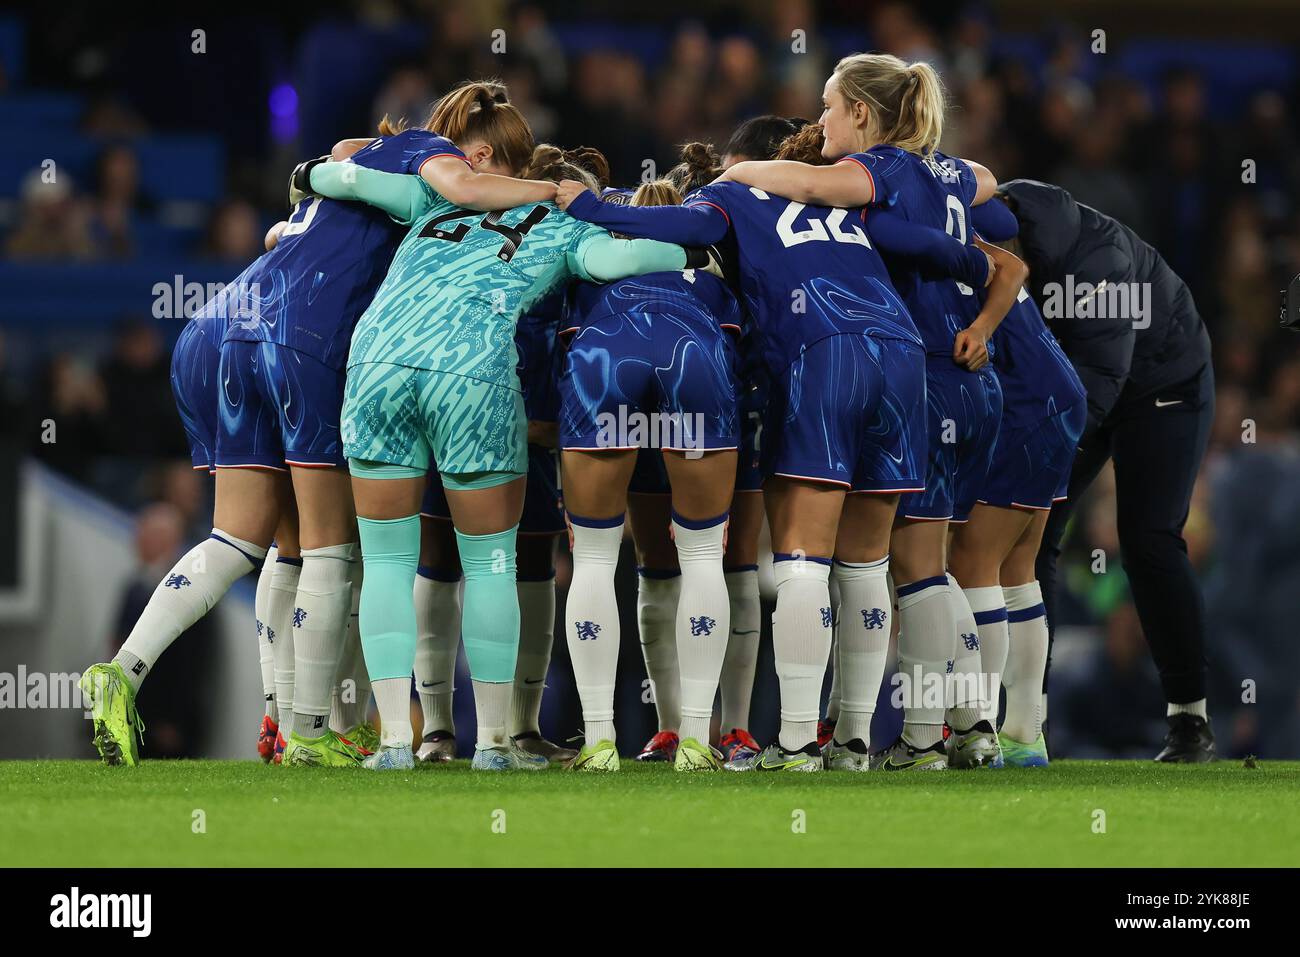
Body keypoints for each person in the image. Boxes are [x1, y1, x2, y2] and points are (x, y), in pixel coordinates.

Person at [79, 82, 551, 767]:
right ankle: (307, 729)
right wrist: (551, 197)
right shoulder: (440, 164)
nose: (501, 187)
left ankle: (127, 673)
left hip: (223, 322)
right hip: (306, 339)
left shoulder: (368, 162)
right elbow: (462, 188)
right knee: (337, 549)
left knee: (248, 539)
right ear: (480, 153)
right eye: (503, 171)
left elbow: (286, 222)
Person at [304, 130, 707, 771]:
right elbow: (626, 261)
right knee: (492, 561)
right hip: (469, 365)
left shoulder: (435, 198)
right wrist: (701, 251)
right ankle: (494, 742)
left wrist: (310, 173)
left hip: (376, 356)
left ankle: (392, 743)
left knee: (386, 560)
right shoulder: (570, 225)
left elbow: (342, 178)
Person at [716, 54, 1026, 770]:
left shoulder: (876, 173)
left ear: (861, 111)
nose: (820, 120)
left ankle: (857, 735)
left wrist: (739, 174)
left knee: (891, 565)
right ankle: (959, 727)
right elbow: (995, 197)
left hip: (911, 361)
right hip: (966, 374)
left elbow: (808, 181)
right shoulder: (948, 171)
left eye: (828, 106)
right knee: (931, 569)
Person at [982, 180, 1217, 762]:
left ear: (1019, 257)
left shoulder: (1099, 268)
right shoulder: (1010, 244)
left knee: (1149, 539)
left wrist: (1022, 452)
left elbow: (1098, 388)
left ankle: (1189, 718)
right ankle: (1024, 724)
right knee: (1027, 534)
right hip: (1083, 384)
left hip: (1163, 385)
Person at [558, 150, 741, 772]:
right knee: (699, 555)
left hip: (608, 351)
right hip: (695, 352)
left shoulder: (594, 264)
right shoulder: (715, 276)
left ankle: (599, 740)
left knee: (594, 557)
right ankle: (695, 738)